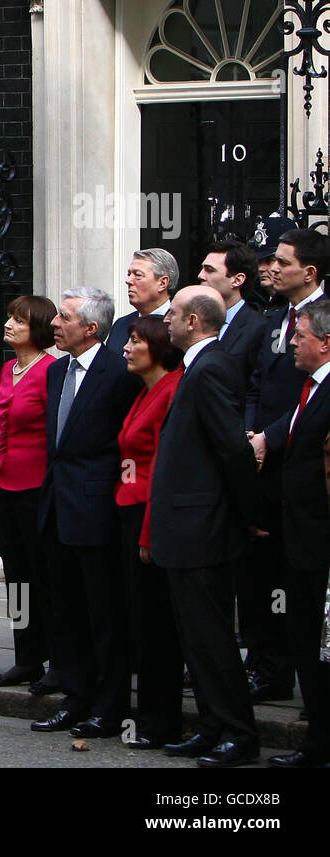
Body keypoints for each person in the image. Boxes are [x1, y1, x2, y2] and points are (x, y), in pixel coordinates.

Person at [150, 286, 261, 767]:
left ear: (193, 320)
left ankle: (238, 733)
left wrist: (248, 514)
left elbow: (232, 449)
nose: (166, 321)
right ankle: (213, 726)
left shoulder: (212, 366)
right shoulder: (197, 365)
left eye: (173, 313)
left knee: (212, 639)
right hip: (185, 526)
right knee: (195, 638)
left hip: (203, 527)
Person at [30, 287, 140, 738]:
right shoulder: (56, 371)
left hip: (96, 511)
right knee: (67, 613)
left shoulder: (120, 373)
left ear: (90, 329)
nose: (54, 323)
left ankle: (108, 708)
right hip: (57, 507)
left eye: (64, 317)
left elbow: (124, 444)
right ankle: (74, 699)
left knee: (103, 615)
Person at [242, 227, 328, 704]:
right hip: (264, 466)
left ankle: (308, 679)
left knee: (301, 581)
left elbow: (312, 393)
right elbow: (257, 384)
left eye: (281, 260)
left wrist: (270, 437)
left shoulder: (325, 320)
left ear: (308, 272)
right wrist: (252, 435)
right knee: (261, 572)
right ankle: (266, 665)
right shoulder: (274, 318)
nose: (270, 266)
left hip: (303, 468)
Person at [248, 301, 330, 767]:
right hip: (300, 538)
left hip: (318, 542)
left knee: (316, 644)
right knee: (304, 641)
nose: (291, 342)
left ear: (326, 342)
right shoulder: (307, 388)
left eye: (301, 336)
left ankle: (318, 746)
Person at [115, 317, 185, 749]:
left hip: (149, 517)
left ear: (157, 348)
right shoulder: (145, 391)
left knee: (158, 627)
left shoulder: (172, 390)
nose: (126, 348)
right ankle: (149, 716)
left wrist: (147, 535)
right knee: (142, 622)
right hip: (129, 510)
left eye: (136, 341)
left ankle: (162, 722)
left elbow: (160, 469)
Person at [0, 296, 58, 692]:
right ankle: (27, 658)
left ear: (39, 329)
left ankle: (59, 660)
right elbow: (2, 435)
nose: (9, 324)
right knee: (18, 581)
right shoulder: (8, 368)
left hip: (39, 486)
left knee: (45, 576)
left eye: (20, 320)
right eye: (9, 317)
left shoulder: (51, 370)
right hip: (9, 486)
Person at [198, 239, 265, 373]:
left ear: (237, 280)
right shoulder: (195, 320)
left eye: (209, 270)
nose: (200, 275)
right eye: (202, 268)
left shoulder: (257, 328)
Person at [106, 248, 179, 353]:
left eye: (138, 275)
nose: (128, 281)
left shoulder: (177, 326)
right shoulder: (121, 325)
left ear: (162, 283)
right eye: (129, 274)